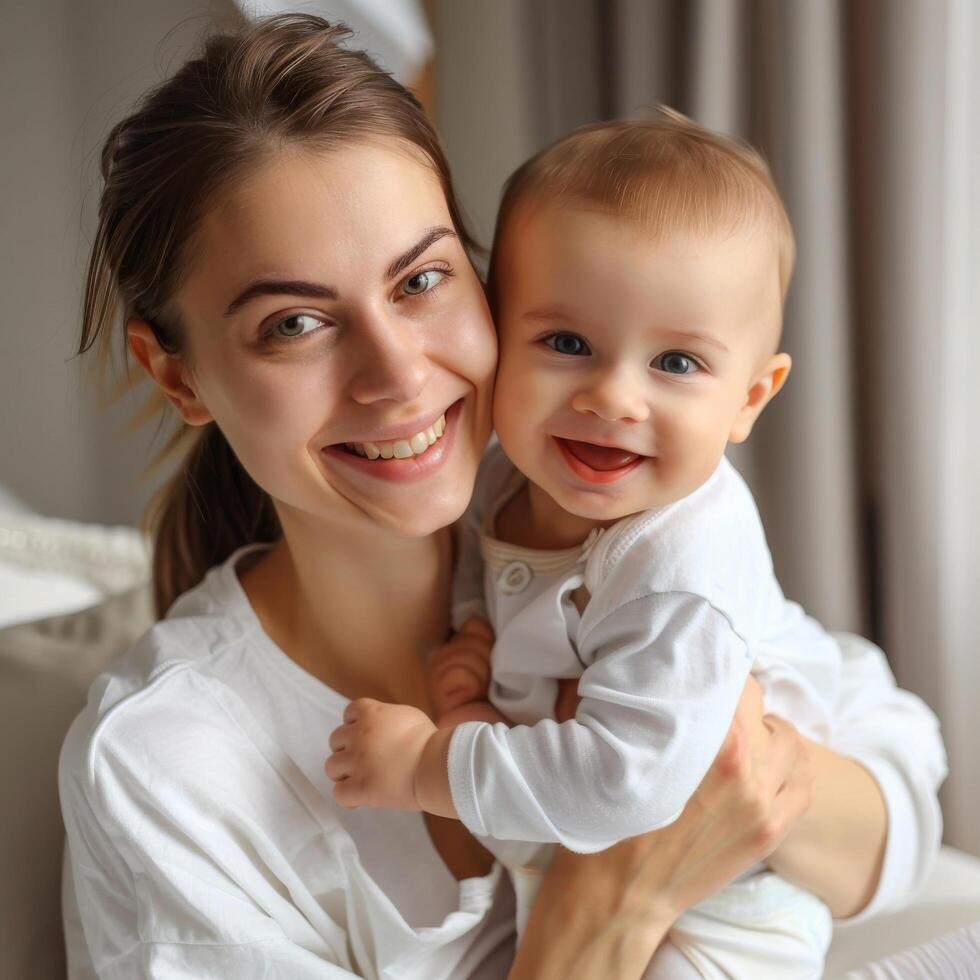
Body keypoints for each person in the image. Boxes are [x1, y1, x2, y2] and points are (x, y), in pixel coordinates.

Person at [57, 14, 946, 979]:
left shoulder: (589, 519)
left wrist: (764, 782)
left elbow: (899, 784)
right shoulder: (162, 768)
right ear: (176, 374)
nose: (396, 375)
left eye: (422, 279)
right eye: (296, 322)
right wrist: (615, 897)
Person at [324, 113, 851, 978]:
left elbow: (624, 784)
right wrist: (472, 642)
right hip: (578, 874)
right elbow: (487, 568)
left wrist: (429, 763)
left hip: (727, 911)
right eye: (566, 344)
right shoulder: (498, 477)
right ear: (497, 335)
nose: (612, 397)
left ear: (752, 397)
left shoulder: (680, 571)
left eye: (676, 364)